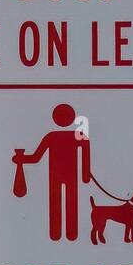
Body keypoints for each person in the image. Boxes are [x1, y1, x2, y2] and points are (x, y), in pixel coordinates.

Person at [15, 103, 91, 241]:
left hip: (62, 175)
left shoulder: (54, 136)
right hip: (61, 175)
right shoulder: (75, 135)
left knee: (65, 203)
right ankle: (66, 234)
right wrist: (85, 175)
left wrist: (22, 159)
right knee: (62, 203)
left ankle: (63, 234)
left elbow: (35, 158)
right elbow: (36, 157)